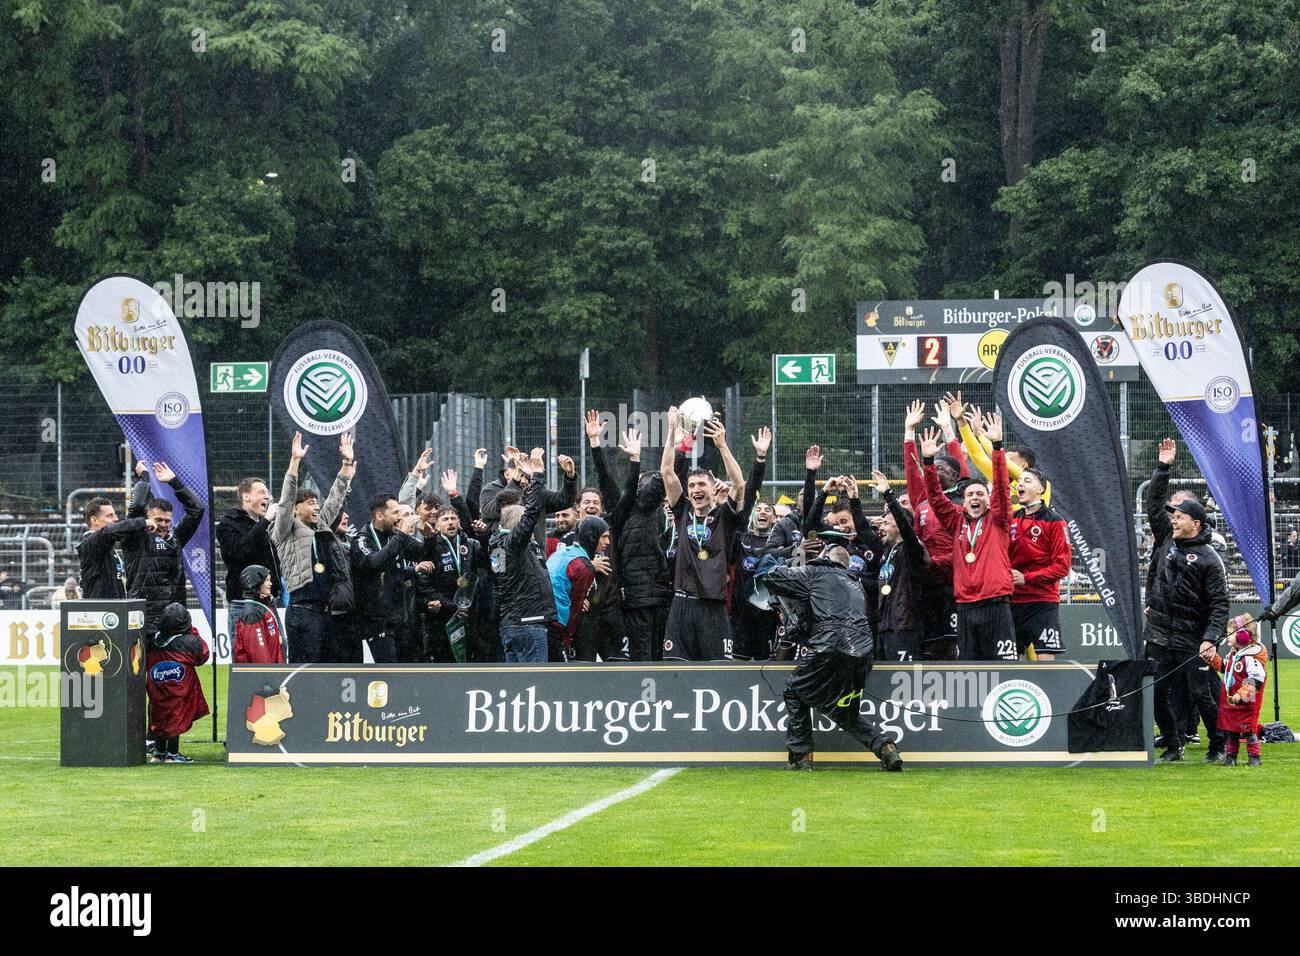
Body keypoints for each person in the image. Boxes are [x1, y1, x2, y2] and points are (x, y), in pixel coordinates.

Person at [756, 545, 903, 772]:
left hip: (829, 645)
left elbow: (772, 576)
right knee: (845, 710)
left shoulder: (817, 572)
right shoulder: (856, 584)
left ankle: (801, 755)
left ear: (826, 558)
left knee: (794, 691)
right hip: (863, 651)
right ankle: (885, 748)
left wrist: (774, 556)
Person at [1144, 437, 1228, 763]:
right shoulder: (1166, 538)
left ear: (1196, 523)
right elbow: (1153, 505)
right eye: (1172, 517)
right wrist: (1163, 467)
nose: (1172, 520)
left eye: (1178, 517)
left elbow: (1220, 603)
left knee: (1201, 694)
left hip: (1193, 638)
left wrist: (1210, 639)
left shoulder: (1209, 559)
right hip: (1159, 631)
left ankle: (1217, 745)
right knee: (1154, 693)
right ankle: (1174, 745)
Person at [921, 413, 1016, 661]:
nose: (975, 497)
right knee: (970, 666)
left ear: (988, 499)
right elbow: (935, 498)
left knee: (1003, 665)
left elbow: (1002, 487)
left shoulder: (999, 520)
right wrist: (928, 462)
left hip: (996, 602)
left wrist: (997, 447)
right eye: (970, 494)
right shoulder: (956, 521)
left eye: (980, 494)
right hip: (965, 604)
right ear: (963, 501)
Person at [660, 407, 746, 661]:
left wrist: (722, 445)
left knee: (719, 670)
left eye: (702, 485)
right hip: (682, 604)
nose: (696, 490)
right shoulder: (683, 511)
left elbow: (739, 484)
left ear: (713, 488)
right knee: (675, 668)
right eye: (692, 486)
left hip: (713, 605)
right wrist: (672, 429)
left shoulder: (724, 517)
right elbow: (666, 472)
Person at [270, 431, 355, 663]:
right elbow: (286, 500)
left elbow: (335, 498)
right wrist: (295, 461)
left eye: (317, 502)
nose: (317, 507)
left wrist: (346, 464)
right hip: (302, 610)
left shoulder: (321, 525)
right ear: (297, 509)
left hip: (326, 611)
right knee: (304, 671)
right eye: (310, 503)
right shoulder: (285, 529)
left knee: (325, 671)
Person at [488, 448, 558, 662]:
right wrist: (537, 475)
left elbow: (498, 584)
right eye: (526, 526)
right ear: (518, 527)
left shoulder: (496, 547)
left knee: (515, 688)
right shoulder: (514, 544)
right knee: (533, 687)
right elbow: (531, 513)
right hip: (528, 623)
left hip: (510, 625)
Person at [902, 403, 959, 659]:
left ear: (956, 477)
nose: (934, 470)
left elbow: (961, 467)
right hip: (926, 583)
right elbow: (913, 473)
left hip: (955, 582)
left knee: (952, 643)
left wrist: (949, 430)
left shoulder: (961, 502)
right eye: (932, 466)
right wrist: (908, 432)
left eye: (942, 468)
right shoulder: (922, 501)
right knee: (929, 641)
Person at [123, 460, 205, 638]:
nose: (163, 524)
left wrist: (174, 481)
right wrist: (144, 477)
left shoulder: (175, 538)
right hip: (143, 618)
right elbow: (136, 507)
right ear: (147, 518)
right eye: (158, 519)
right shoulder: (136, 536)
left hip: (173, 619)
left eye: (167, 521)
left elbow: (196, 510)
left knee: (175, 665)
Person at [1008, 467, 1071, 660]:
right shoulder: (1011, 519)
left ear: (1041, 489)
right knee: (1010, 661)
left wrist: (1026, 578)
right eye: (1019, 481)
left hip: (1042, 602)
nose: (1020, 483)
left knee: (1045, 661)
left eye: (1027, 480)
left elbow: (1062, 567)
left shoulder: (1055, 521)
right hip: (1011, 601)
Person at [352, 493, 424, 662]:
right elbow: (375, 563)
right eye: (395, 513)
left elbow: (423, 552)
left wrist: (430, 537)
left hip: (400, 619)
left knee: (405, 675)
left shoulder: (396, 537)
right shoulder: (362, 540)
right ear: (379, 516)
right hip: (376, 622)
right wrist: (401, 535)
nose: (399, 518)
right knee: (388, 675)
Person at [871, 470, 931, 663]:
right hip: (884, 626)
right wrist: (856, 501)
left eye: (887, 523)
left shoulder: (911, 548)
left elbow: (907, 529)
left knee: (904, 683)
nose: (882, 528)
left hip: (905, 626)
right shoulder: (887, 551)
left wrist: (888, 495)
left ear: (898, 524)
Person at [416, 505, 486, 662]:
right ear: (437, 525)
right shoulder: (430, 547)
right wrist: (453, 607)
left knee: (472, 660)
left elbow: (489, 564)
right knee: (446, 662)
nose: (450, 522)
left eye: (453, 518)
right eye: (445, 519)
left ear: (459, 522)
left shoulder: (471, 544)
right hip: (443, 619)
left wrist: (483, 535)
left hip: (471, 616)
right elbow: (426, 587)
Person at [145, 603, 210, 764]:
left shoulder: (153, 640)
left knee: (159, 716)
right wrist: (193, 632)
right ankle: (172, 754)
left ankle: (159, 752)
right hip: (179, 688)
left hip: (157, 687)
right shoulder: (189, 642)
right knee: (176, 717)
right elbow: (203, 655)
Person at [1204, 615, 1268, 766]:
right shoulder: (1234, 654)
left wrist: (1241, 694)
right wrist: (1212, 659)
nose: (1227, 637)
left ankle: (1254, 758)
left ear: (1243, 636)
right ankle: (1231, 758)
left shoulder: (1251, 658)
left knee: (1248, 731)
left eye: (1230, 634)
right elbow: (1225, 667)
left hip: (1246, 703)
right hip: (1230, 701)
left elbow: (1256, 680)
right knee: (1231, 730)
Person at [546, 515, 609, 660]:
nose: (607, 542)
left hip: (541, 619)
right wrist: (567, 640)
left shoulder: (564, 551)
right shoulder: (584, 566)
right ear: (592, 537)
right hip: (555, 625)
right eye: (604, 537)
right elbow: (575, 607)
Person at [215, 475, 282, 613]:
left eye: (268, 494)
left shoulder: (264, 525)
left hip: (269, 600)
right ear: (246, 496)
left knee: (278, 636)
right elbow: (238, 552)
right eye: (262, 492)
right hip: (243, 604)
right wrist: (266, 521)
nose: (267, 497)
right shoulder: (228, 524)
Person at [732, 499, 780, 661]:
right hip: (741, 615)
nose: (762, 512)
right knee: (738, 665)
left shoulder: (779, 544)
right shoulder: (741, 538)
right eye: (758, 509)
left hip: (766, 617)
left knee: (764, 665)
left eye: (767, 510)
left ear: (774, 518)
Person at [77, 495, 149, 600]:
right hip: (101, 611)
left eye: (114, 514)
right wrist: (143, 522)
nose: (116, 519)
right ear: (94, 520)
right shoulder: (91, 543)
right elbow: (110, 532)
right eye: (110, 515)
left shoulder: (106, 545)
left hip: (112, 609)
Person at [232, 565, 283, 664]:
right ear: (256, 583)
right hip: (264, 676)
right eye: (267, 580)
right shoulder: (252, 613)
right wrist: (270, 674)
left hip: (271, 673)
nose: (270, 584)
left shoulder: (262, 606)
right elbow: (259, 654)